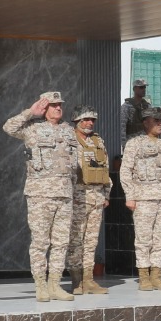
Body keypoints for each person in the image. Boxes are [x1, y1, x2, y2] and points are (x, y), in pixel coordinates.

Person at [4, 92, 81, 302]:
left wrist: (73, 191)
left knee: (61, 242)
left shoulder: (68, 130)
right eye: (53, 105)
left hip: (64, 194)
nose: (58, 108)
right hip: (40, 194)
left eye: (59, 105)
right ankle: (40, 285)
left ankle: (54, 284)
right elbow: (8, 127)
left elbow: (74, 163)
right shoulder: (33, 128)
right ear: (44, 108)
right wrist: (30, 112)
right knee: (40, 242)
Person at [121, 107, 161, 290]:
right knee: (144, 238)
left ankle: (156, 275)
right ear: (146, 122)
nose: (160, 124)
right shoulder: (134, 143)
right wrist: (130, 196)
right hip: (143, 198)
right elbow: (125, 171)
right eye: (156, 120)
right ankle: (144, 276)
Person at [67, 107, 113, 296]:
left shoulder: (97, 141)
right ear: (76, 120)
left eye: (92, 120)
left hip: (96, 198)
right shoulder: (68, 139)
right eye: (86, 119)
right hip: (77, 198)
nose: (89, 123)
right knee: (75, 240)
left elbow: (105, 168)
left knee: (91, 241)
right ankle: (76, 280)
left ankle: (88, 280)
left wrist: (106, 194)